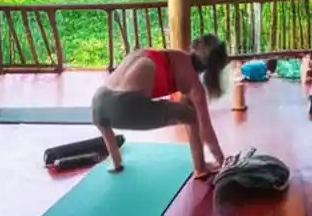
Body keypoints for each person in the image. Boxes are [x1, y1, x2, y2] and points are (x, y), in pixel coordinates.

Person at [91, 34, 228, 179]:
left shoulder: (172, 55)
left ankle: (116, 161)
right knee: (193, 118)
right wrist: (222, 160)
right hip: (125, 107)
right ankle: (200, 167)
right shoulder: (194, 84)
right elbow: (205, 128)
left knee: (186, 108)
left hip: (98, 103)